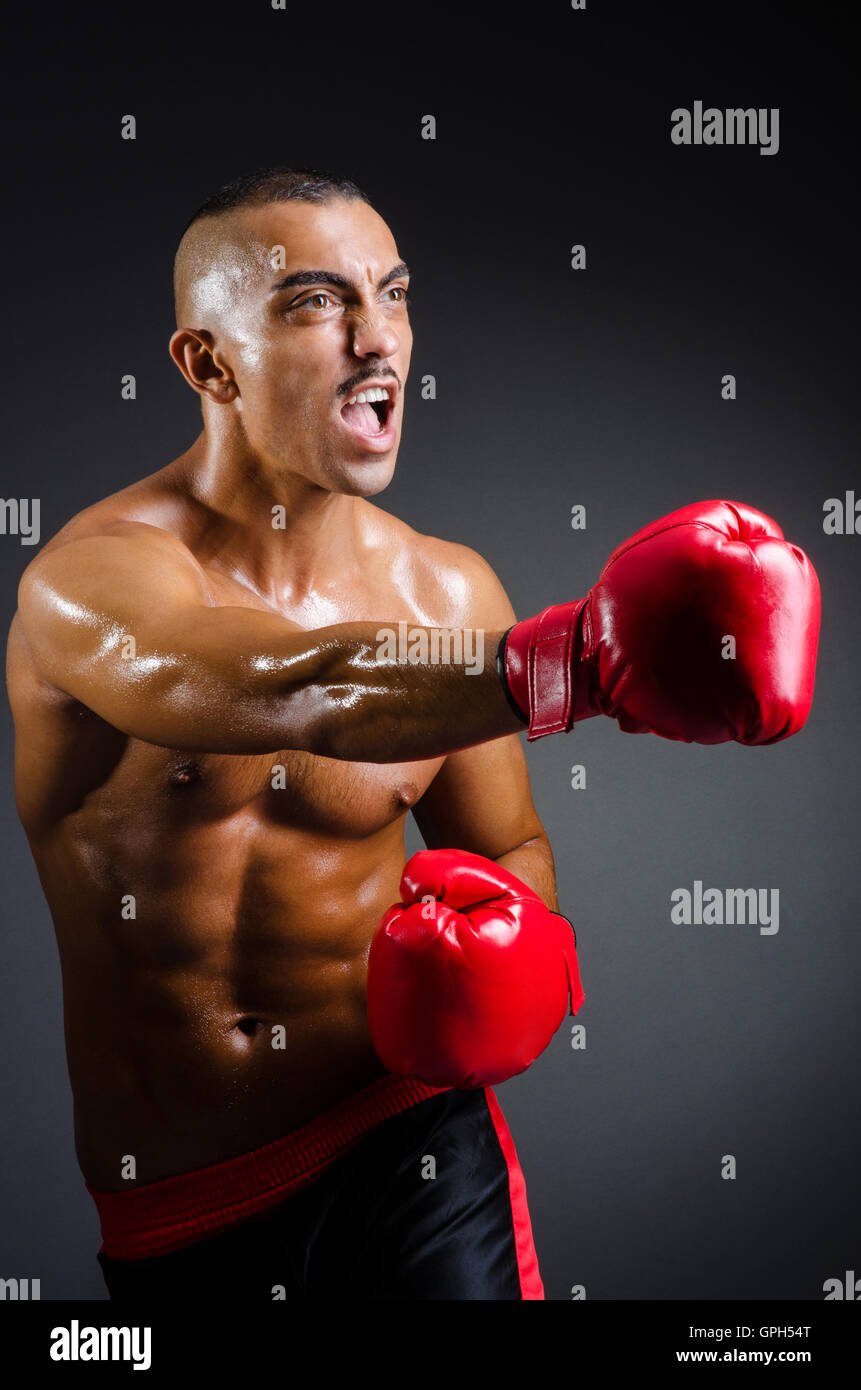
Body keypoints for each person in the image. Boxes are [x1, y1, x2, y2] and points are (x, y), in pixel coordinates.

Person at [6, 167, 819, 1301]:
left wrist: (519, 945)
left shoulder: (449, 593)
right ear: (209, 362)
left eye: (392, 295)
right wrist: (577, 662)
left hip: (416, 1152)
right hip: (183, 1204)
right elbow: (301, 690)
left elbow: (512, 848)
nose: (376, 338)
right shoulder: (87, 585)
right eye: (317, 303)